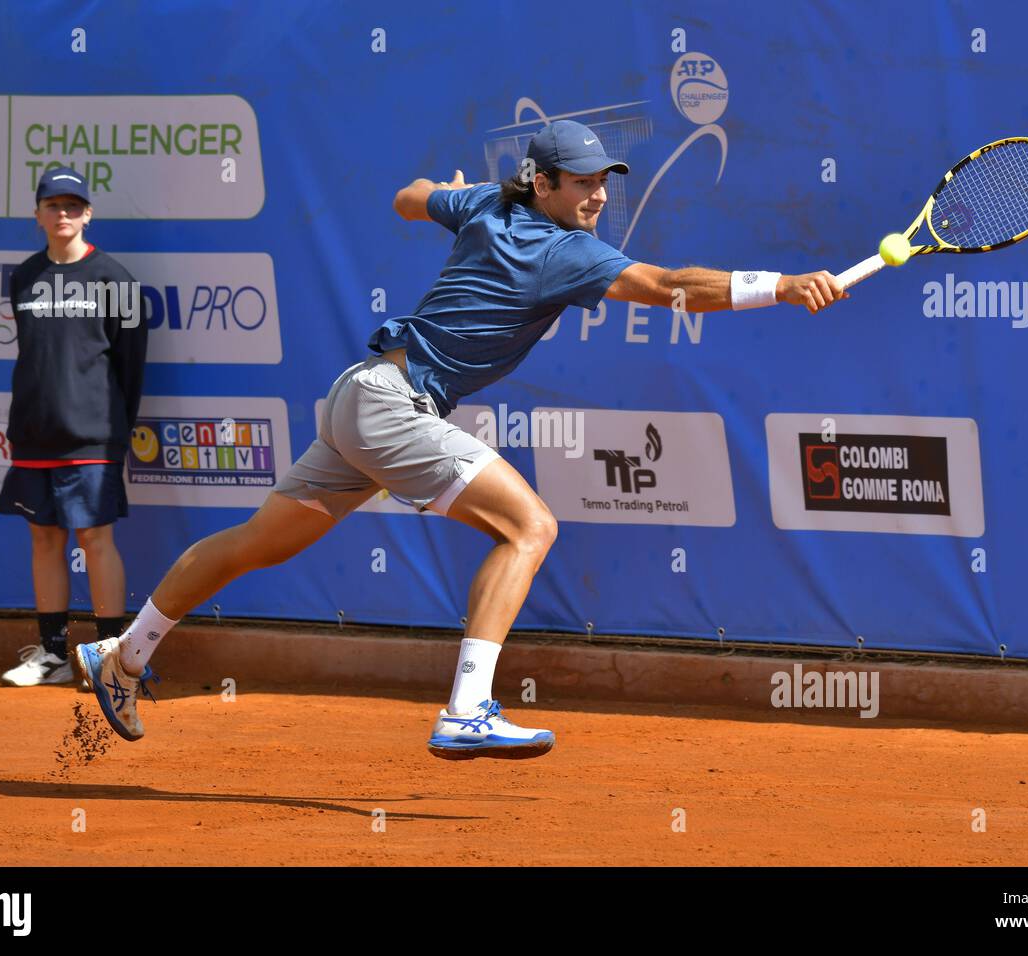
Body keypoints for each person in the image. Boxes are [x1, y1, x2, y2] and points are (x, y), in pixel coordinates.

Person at [73, 120, 847, 756]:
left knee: (257, 543)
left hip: (357, 395)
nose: (598, 195)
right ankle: (467, 708)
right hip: (393, 407)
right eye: (581, 182)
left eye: (604, 181)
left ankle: (125, 654)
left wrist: (437, 194)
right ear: (542, 183)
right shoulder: (566, 249)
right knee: (530, 526)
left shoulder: (486, 204)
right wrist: (781, 286)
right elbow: (671, 286)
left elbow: (409, 198)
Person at [0, 167, 148, 687]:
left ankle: (107, 657)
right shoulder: (23, 276)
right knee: (43, 538)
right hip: (34, 433)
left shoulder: (114, 278)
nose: (62, 214)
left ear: (88, 213)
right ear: (37, 215)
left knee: (95, 537)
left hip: (94, 433)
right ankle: (54, 654)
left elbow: (131, 363)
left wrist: (117, 430)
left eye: (72, 205)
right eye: (52, 205)